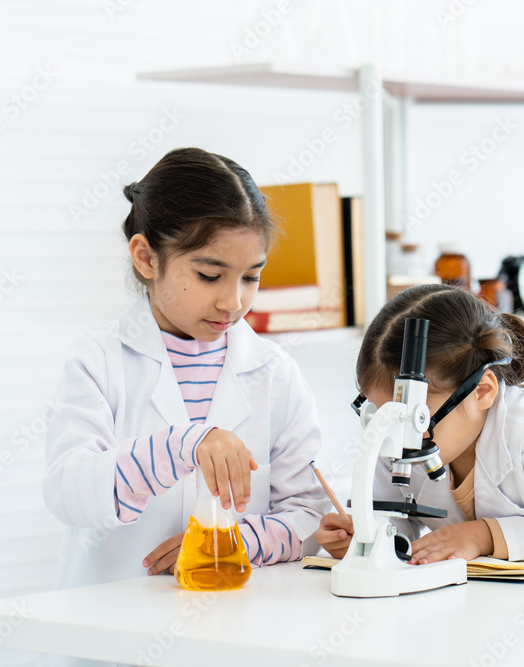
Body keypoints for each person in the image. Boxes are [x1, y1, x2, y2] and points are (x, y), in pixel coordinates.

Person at [43, 148, 328, 604]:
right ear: (146, 257)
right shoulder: (97, 360)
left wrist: (234, 543)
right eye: (210, 275)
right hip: (112, 624)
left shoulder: (275, 372)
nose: (233, 302)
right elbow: (69, 493)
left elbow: (309, 515)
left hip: (231, 626)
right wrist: (183, 443)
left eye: (251, 277)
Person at [316, 284, 524, 563]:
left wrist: (483, 535)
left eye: (413, 419)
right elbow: (398, 526)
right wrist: (366, 536)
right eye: (381, 415)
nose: (396, 439)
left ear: (482, 392)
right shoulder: (399, 439)